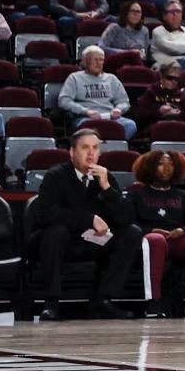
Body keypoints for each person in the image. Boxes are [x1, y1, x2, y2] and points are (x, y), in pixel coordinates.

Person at [30, 129, 139, 319]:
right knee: (56, 231)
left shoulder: (105, 177)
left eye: (95, 148)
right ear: (72, 152)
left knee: (132, 233)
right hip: (61, 243)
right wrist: (88, 219)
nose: (91, 153)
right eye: (85, 148)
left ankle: (103, 300)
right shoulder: (56, 176)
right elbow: (45, 213)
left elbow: (126, 218)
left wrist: (107, 188)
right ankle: (51, 302)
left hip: (92, 242)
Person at [126, 149, 185, 317]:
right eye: (161, 164)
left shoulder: (183, 196)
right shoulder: (136, 195)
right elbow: (129, 224)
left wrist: (182, 230)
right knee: (156, 240)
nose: (166, 168)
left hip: (178, 239)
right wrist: (150, 230)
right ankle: (154, 303)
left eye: (171, 164)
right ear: (150, 167)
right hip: (149, 241)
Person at [59, 45, 136, 138]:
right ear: (85, 61)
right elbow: (64, 101)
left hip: (110, 117)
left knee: (130, 125)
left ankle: (114, 149)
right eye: (95, 60)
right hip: (86, 118)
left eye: (101, 60)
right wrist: (86, 111)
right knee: (85, 127)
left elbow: (124, 102)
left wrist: (119, 109)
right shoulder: (74, 78)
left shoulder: (111, 78)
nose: (98, 63)